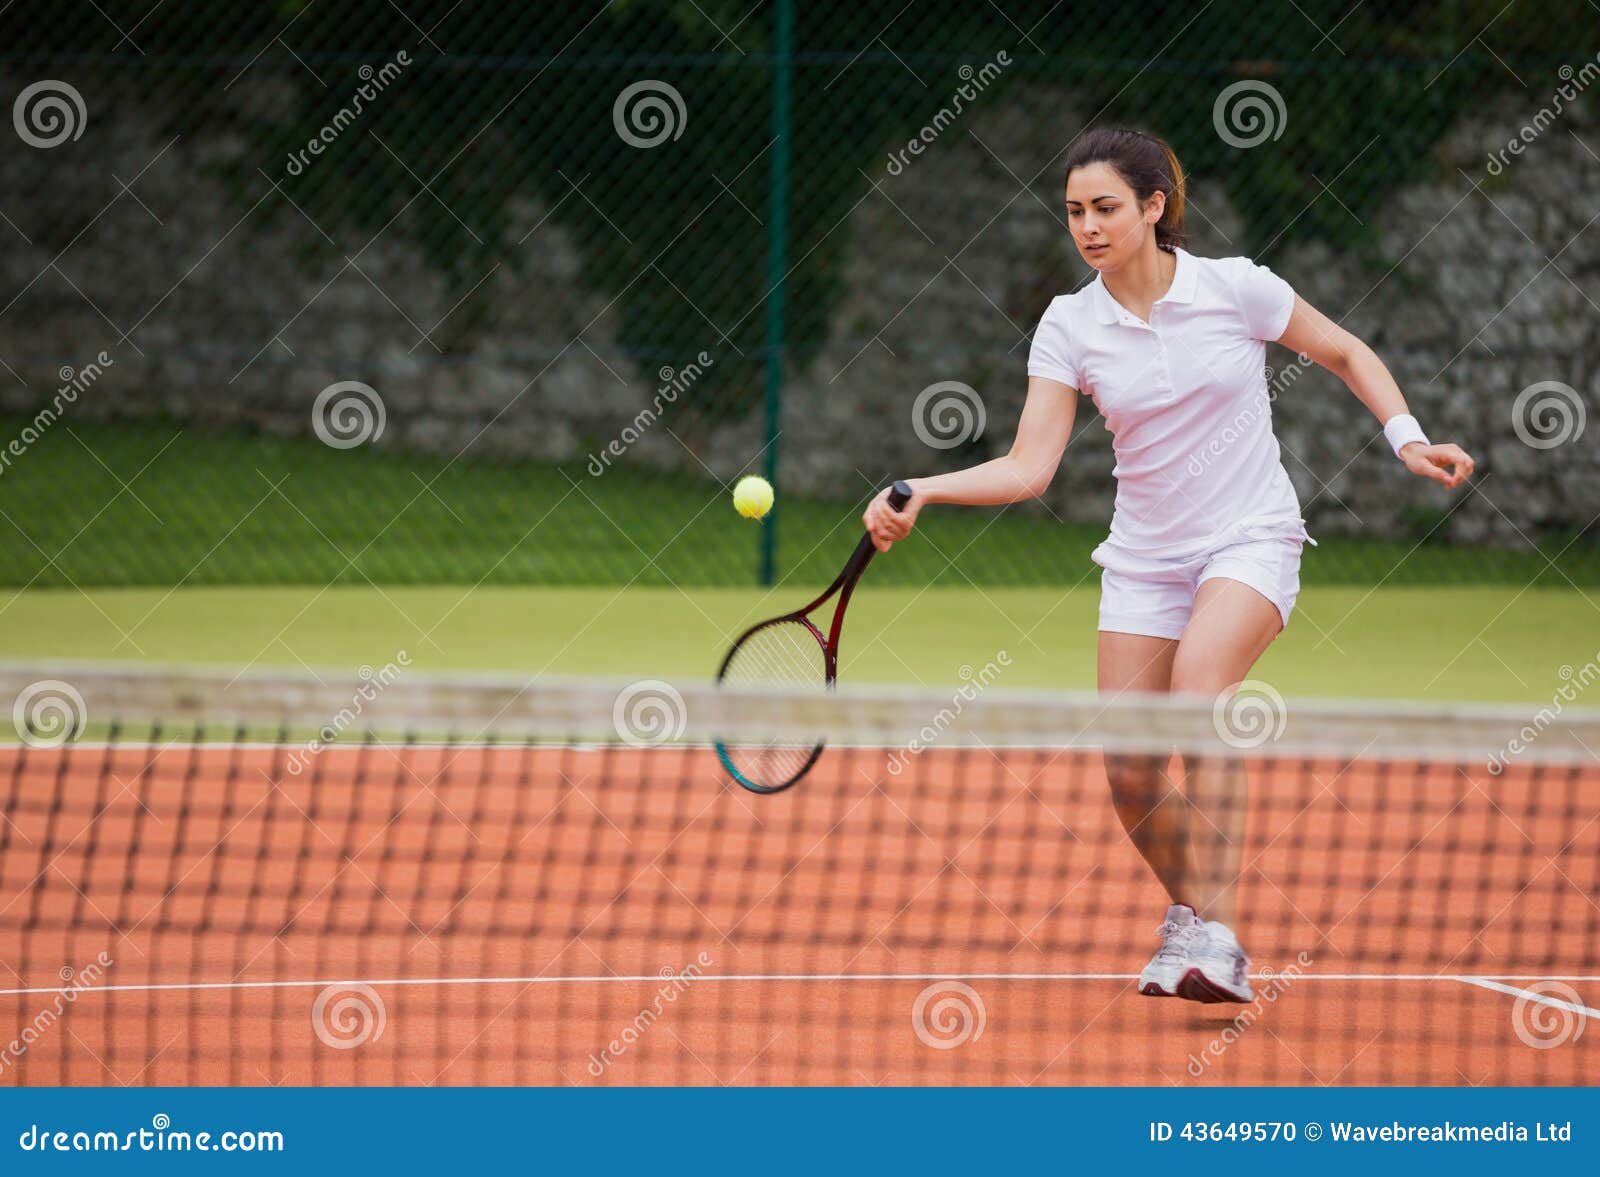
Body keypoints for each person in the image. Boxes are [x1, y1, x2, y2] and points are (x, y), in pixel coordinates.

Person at [861, 127, 1474, 1004]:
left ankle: (1215, 937)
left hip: (1249, 536)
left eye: (1107, 208)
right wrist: (924, 486)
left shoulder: (1236, 288)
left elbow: (1343, 350)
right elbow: (1030, 467)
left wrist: (1406, 438)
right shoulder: (1070, 323)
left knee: (1199, 692)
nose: (1088, 227)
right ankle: (1198, 920)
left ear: (1155, 207)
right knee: (1132, 770)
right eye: (1074, 212)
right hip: (1144, 558)